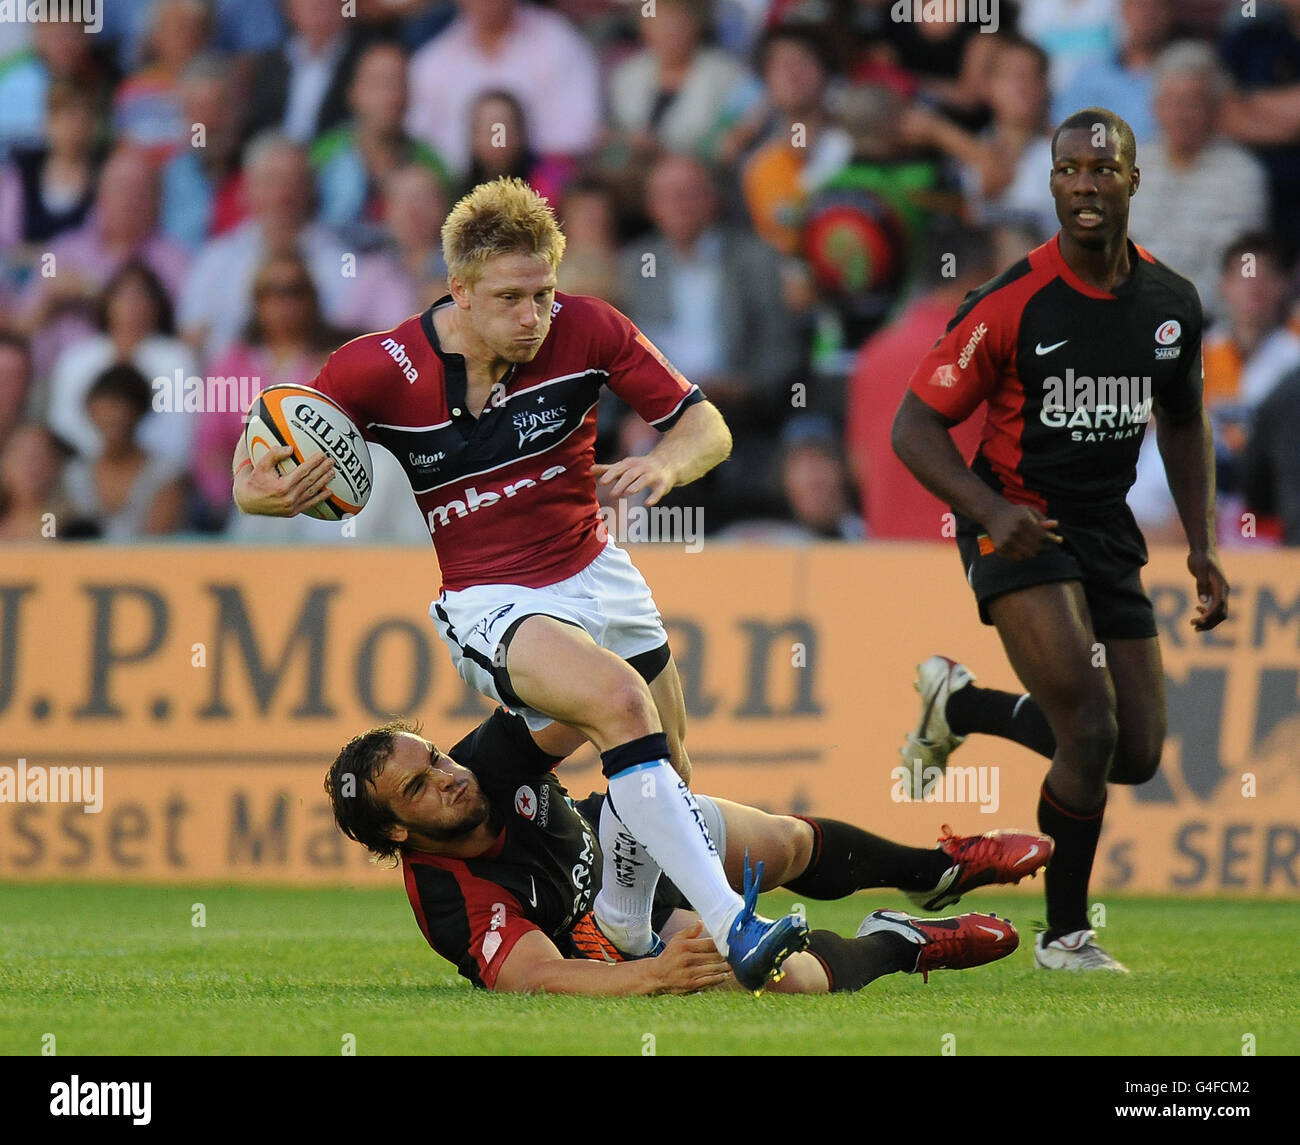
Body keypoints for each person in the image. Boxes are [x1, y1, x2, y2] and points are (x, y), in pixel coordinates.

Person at [230, 176, 809, 993]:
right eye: (510, 297)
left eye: (543, 292)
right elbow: (252, 462)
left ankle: (619, 919)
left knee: (669, 772)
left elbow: (704, 426)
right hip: (490, 596)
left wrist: (662, 464)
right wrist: (265, 492)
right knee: (617, 702)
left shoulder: (590, 329)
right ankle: (732, 926)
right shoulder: (378, 367)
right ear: (458, 290)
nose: (533, 315)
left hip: (597, 570)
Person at [890, 108, 1229, 973]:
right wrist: (987, 511)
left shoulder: (1171, 303)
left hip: (1106, 530)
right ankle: (1065, 935)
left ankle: (959, 705)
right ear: (1051, 182)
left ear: (1132, 181)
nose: (1086, 184)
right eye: (1070, 169)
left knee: (1138, 751)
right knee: (1087, 726)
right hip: (1018, 519)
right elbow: (915, 427)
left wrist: (1202, 546)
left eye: (1103, 169)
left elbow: (1185, 425)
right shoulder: (1009, 303)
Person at [324, 705, 1049, 994]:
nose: (450, 777)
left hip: (629, 835)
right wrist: (658, 976)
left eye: (437, 757)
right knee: (791, 983)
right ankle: (899, 940)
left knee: (785, 839)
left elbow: (584, 705)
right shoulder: (446, 895)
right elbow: (539, 977)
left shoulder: (486, 758)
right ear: (396, 831)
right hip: (613, 940)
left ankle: (939, 869)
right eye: (421, 785)